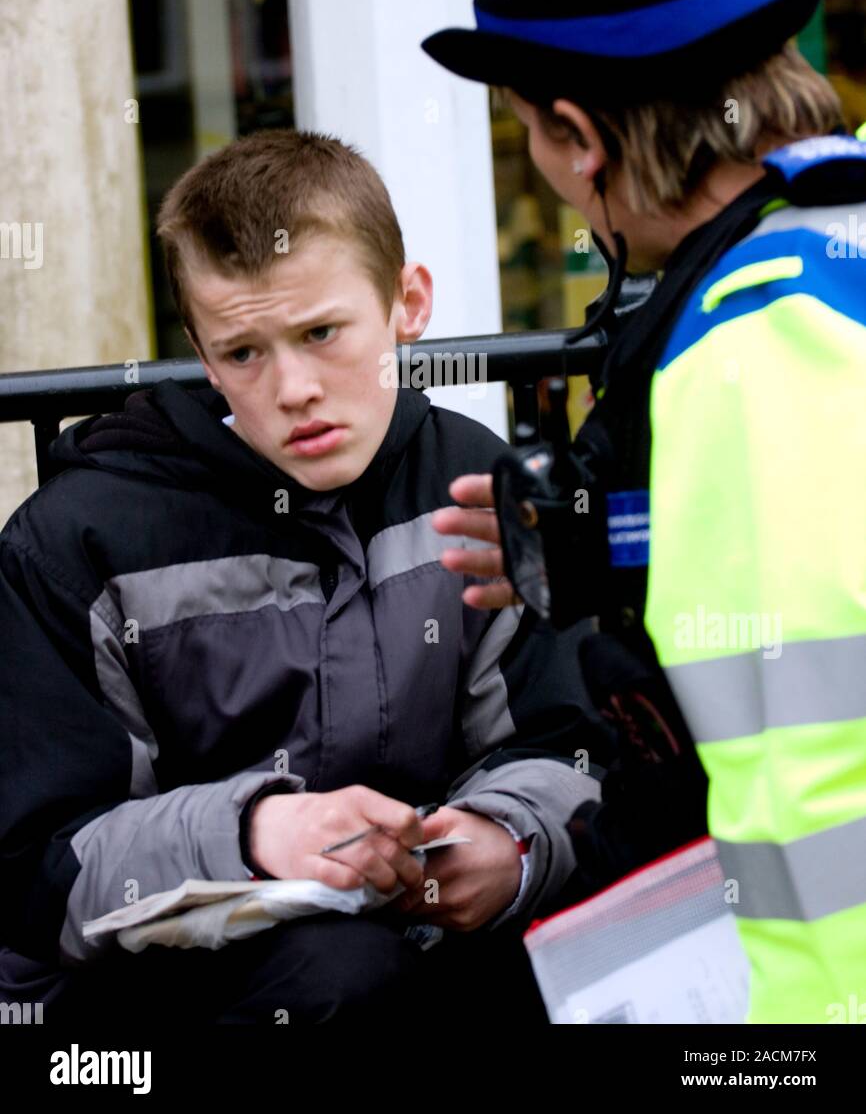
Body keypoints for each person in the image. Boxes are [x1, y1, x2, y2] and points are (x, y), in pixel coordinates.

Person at [0, 129, 611, 1025]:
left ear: (409, 303)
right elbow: (37, 867)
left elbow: (563, 736)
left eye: (322, 333)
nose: (293, 389)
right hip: (144, 995)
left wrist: (507, 840)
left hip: (419, 942)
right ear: (205, 359)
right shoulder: (77, 541)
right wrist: (253, 835)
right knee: (341, 977)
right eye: (244, 353)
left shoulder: (471, 479)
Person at [422, 0, 866, 1024]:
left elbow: (811, 741)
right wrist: (607, 542)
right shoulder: (832, 241)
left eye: (522, 124)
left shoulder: (750, 341)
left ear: (578, 133)